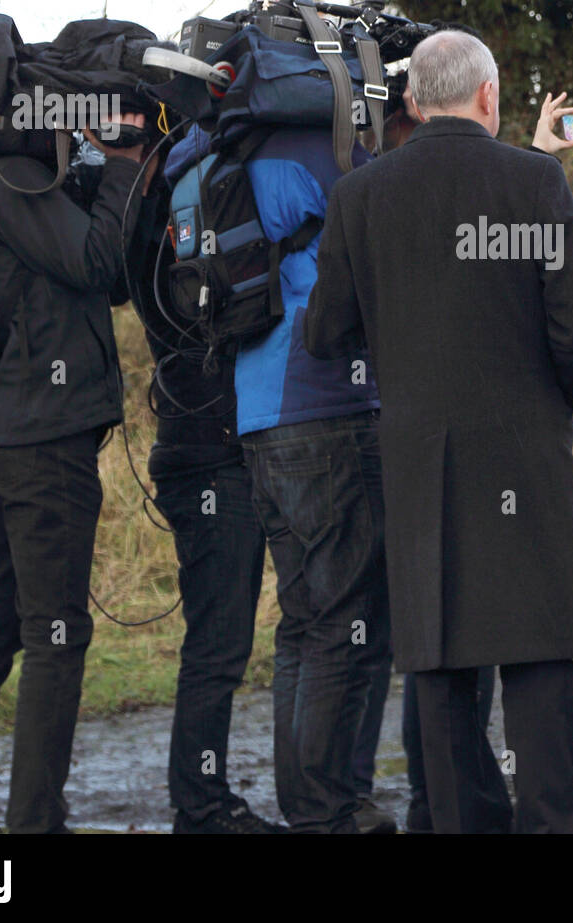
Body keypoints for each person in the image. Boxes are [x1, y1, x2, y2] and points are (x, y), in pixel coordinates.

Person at [304, 29, 573, 834]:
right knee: (540, 652)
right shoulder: (535, 179)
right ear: (489, 98)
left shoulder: (359, 197)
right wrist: (562, 402)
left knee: (439, 662)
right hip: (526, 450)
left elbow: (324, 333)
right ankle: (548, 820)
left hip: (419, 459)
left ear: (409, 102)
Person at [0, 114, 156, 835]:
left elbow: (100, 275)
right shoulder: (16, 184)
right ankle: (34, 822)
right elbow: (95, 262)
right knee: (55, 632)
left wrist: (105, 182)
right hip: (40, 441)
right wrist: (121, 165)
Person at [122, 125, 282, 833]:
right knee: (218, 643)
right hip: (207, 453)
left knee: (220, 640)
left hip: (196, 445)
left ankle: (205, 800)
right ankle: (202, 806)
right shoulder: (174, 222)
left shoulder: (143, 215)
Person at [235, 108, 391, 834]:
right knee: (342, 620)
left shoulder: (228, 150)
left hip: (258, 408)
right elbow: (376, 244)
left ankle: (307, 806)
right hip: (324, 401)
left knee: (302, 621)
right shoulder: (322, 150)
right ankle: (329, 809)